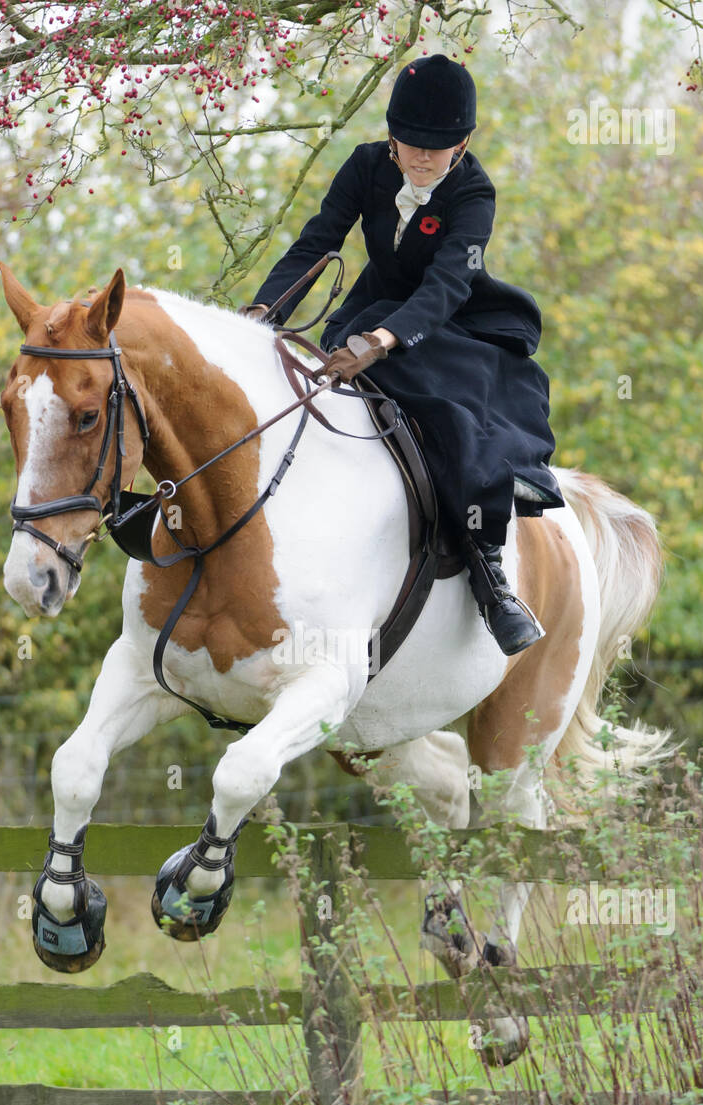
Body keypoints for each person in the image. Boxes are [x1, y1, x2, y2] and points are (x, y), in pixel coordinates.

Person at [242, 53, 564, 655]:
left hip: (450, 320)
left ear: (462, 143)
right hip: (372, 307)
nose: (419, 158)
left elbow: (446, 285)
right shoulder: (365, 165)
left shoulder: (474, 191)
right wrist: (263, 315)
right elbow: (317, 243)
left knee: (452, 419)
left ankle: (490, 576)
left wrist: (381, 342)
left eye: (435, 148)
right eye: (408, 143)